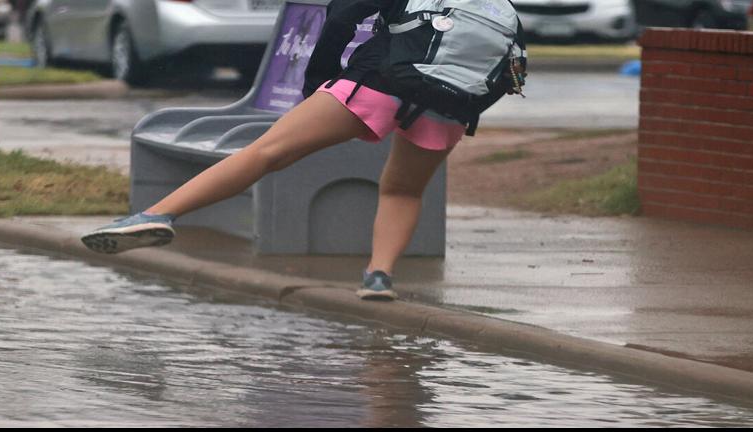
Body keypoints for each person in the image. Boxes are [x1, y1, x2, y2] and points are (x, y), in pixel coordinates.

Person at [81, 0, 522, 302]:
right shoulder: (498, 6)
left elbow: (340, 20)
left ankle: (157, 215)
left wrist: (318, 85)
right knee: (403, 190)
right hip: (448, 106)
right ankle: (378, 277)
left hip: (375, 83)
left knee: (266, 152)